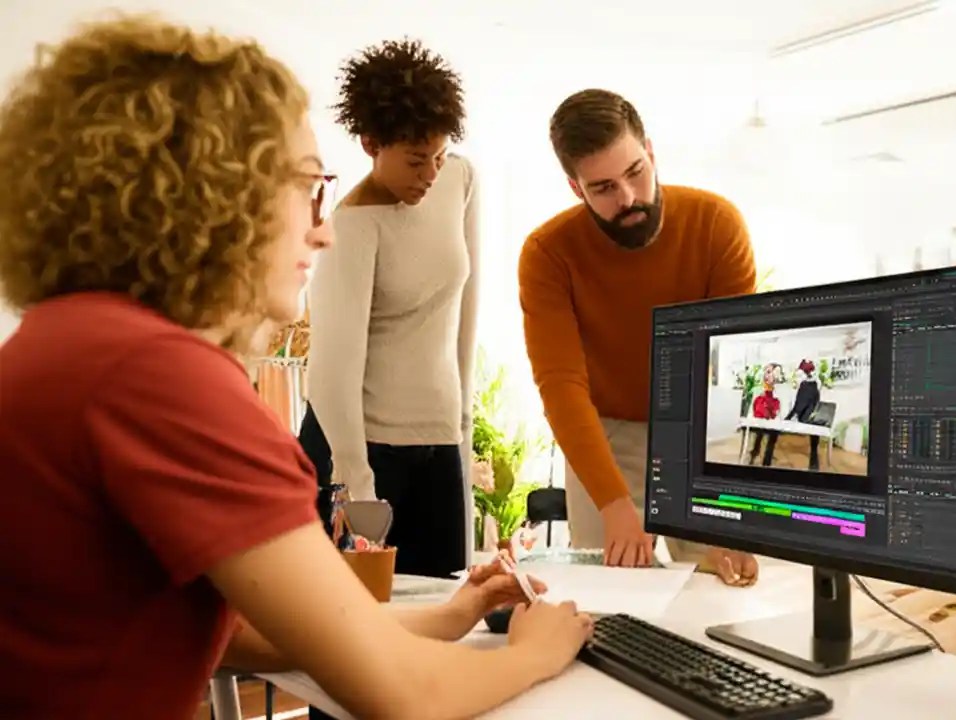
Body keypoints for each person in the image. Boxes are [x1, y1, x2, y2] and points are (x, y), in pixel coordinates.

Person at [0, 16, 589, 719]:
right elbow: (408, 696)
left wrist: (453, 612)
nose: (324, 226)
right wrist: (536, 652)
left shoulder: (72, 343)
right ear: (218, 197)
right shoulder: (158, 377)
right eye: (309, 188)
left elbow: (247, 634)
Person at [519, 88, 760, 585]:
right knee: (612, 591)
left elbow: (733, 372)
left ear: (650, 152)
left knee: (721, 580)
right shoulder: (548, 254)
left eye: (635, 173)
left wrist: (722, 497)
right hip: (604, 435)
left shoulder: (717, 226)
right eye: (603, 187)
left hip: (699, 432)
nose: (627, 199)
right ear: (575, 187)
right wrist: (613, 502)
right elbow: (561, 385)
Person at [301, 38, 480, 579]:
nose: (429, 173)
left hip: (438, 438)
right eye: (415, 160)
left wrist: (462, 417)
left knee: (447, 603)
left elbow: (466, 298)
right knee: (358, 618)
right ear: (370, 143)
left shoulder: (459, 179)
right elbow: (331, 370)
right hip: (363, 446)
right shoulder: (353, 226)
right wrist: (357, 478)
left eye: (439, 156)